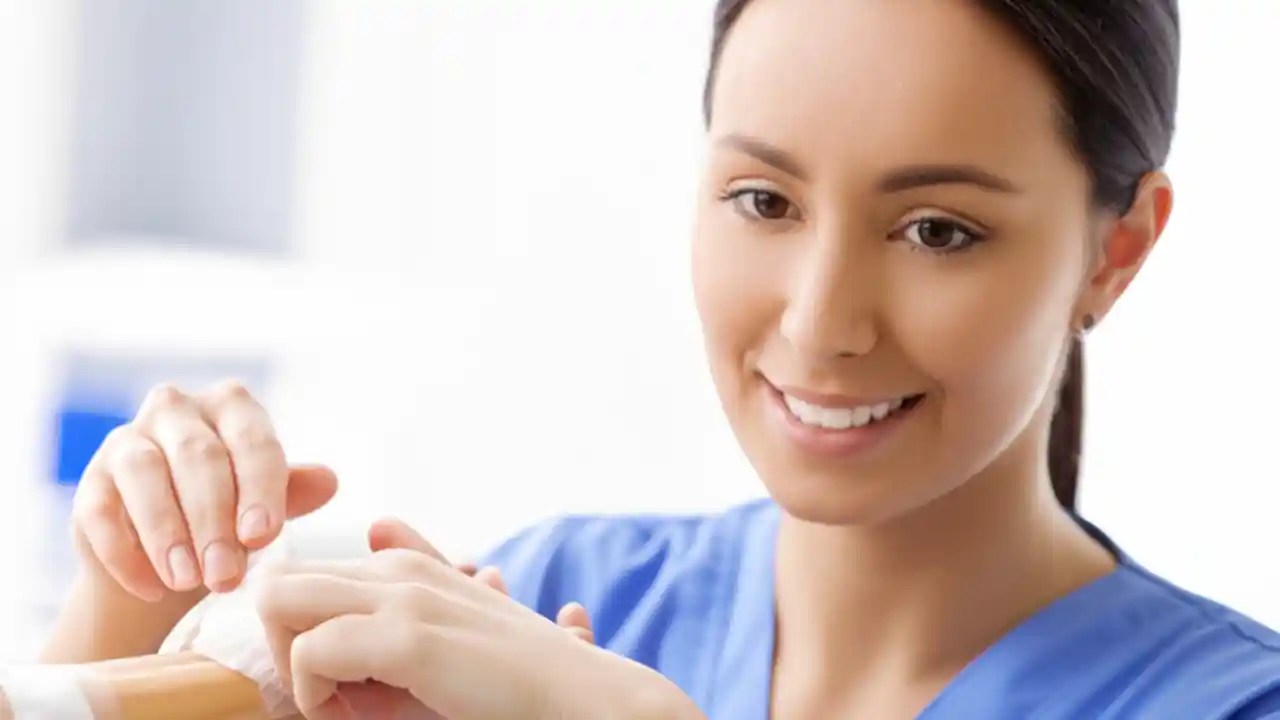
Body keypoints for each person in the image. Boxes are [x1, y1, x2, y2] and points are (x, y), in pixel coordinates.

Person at [41, 0, 1280, 717]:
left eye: (936, 230)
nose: (819, 322)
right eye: (762, 201)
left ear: (1115, 250)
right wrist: (129, 605)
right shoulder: (555, 595)